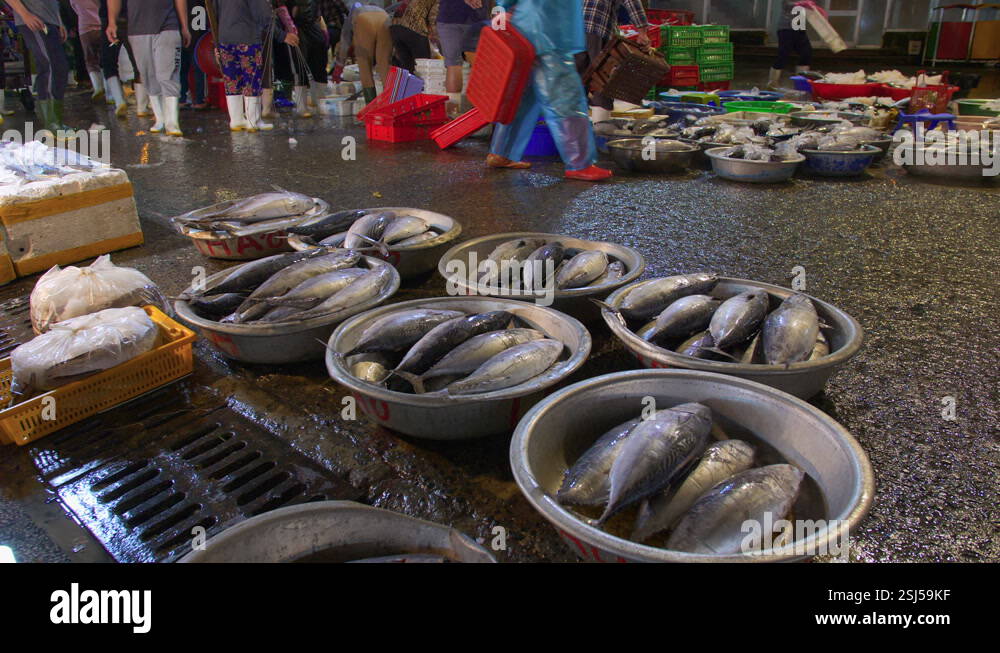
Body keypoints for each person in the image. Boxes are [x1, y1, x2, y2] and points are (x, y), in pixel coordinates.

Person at [486, 0, 612, 181]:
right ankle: (580, 163)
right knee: (566, 96)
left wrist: (504, 7)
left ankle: (501, 152)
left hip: (529, 26)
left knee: (523, 97)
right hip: (548, 30)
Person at [108, 0, 191, 136]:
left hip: (168, 26)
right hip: (137, 30)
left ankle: (172, 123)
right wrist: (112, 22)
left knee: (168, 73)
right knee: (147, 75)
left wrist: (184, 26)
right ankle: (160, 119)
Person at [212, 0, 295, 132]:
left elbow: (213, 15)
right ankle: (253, 121)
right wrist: (282, 36)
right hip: (248, 39)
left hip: (225, 40)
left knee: (232, 81)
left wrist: (216, 43)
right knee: (252, 79)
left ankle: (236, 120)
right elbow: (263, 16)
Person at [576, 0, 647, 131]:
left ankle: (577, 132)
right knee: (604, 79)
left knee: (579, 80)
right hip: (597, 28)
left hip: (575, 30)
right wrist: (642, 31)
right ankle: (601, 130)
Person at [4, 0, 71, 132]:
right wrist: (25, 14)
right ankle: (51, 122)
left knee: (59, 67)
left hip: (50, 22)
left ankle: (55, 120)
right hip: (33, 20)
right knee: (50, 66)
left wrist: (59, 22)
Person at [332, 3, 390, 104]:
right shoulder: (377, 8)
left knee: (365, 67)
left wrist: (339, 67)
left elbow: (345, 42)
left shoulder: (352, 17)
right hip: (385, 18)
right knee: (385, 68)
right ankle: (389, 106)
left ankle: (371, 109)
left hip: (364, 20)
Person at [436, 0, 486, 112]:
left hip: (448, 18)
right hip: (476, 18)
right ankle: (479, 116)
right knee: (478, 66)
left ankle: (453, 115)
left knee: (454, 65)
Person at [287, 0, 329, 116]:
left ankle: (320, 104)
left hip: (313, 30)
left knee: (319, 68)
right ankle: (302, 107)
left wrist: (324, 31)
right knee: (300, 69)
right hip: (298, 31)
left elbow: (318, 15)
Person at [98, 0, 139, 118]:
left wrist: (111, 22)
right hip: (131, 18)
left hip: (111, 21)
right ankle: (143, 106)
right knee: (137, 62)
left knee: (108, 61)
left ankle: (119, 101)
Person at [770, 0, 811, 89]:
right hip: (786, 28)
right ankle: (772, 83)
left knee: (806, 53)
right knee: (783, 54)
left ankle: (801, 84)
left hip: (799, 28)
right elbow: (787, 4)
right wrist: (800, 4)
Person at [389, 0, 436, 74]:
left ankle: (408, 85)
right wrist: (436, 36)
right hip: (414, 26)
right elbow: (433, 17)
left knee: (407, 66)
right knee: (422, 65)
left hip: (395, 27)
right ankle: (421, 85)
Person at [70, 0, 103, 101]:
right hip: (101, 25)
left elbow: (74, 9)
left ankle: (98, 87)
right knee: (106, 59)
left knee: (90, 60)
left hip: (85, 28)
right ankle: (110, 91)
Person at [316, 0, 347, 68]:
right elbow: (346, 11)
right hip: (334, 28)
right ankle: (332, 65)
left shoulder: (317, 2)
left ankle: (327, 66)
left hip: (324, 29)